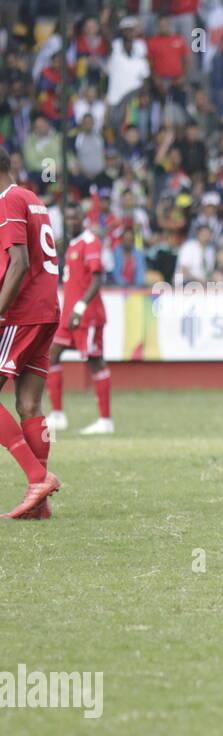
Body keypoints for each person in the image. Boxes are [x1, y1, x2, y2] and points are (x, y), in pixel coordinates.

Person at [0, 147, 61, 518]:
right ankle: (39, 504)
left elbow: (19, 262)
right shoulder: (32, 199)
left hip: (22, 313)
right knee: (29, 405)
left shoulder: (7, 200)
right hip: (46, 309)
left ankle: (37, 478)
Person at [49, 205, 114, 436]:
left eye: (75, 217)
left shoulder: (90, 242)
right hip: (68, 316)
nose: (71, 221)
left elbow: (97, 279)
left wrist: (80, 307)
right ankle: (58, 415)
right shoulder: (72, 244)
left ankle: (105, 420)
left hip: (87, 316)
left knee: (95, 362)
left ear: (82, 219)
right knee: (51, 356)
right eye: (67, 218)